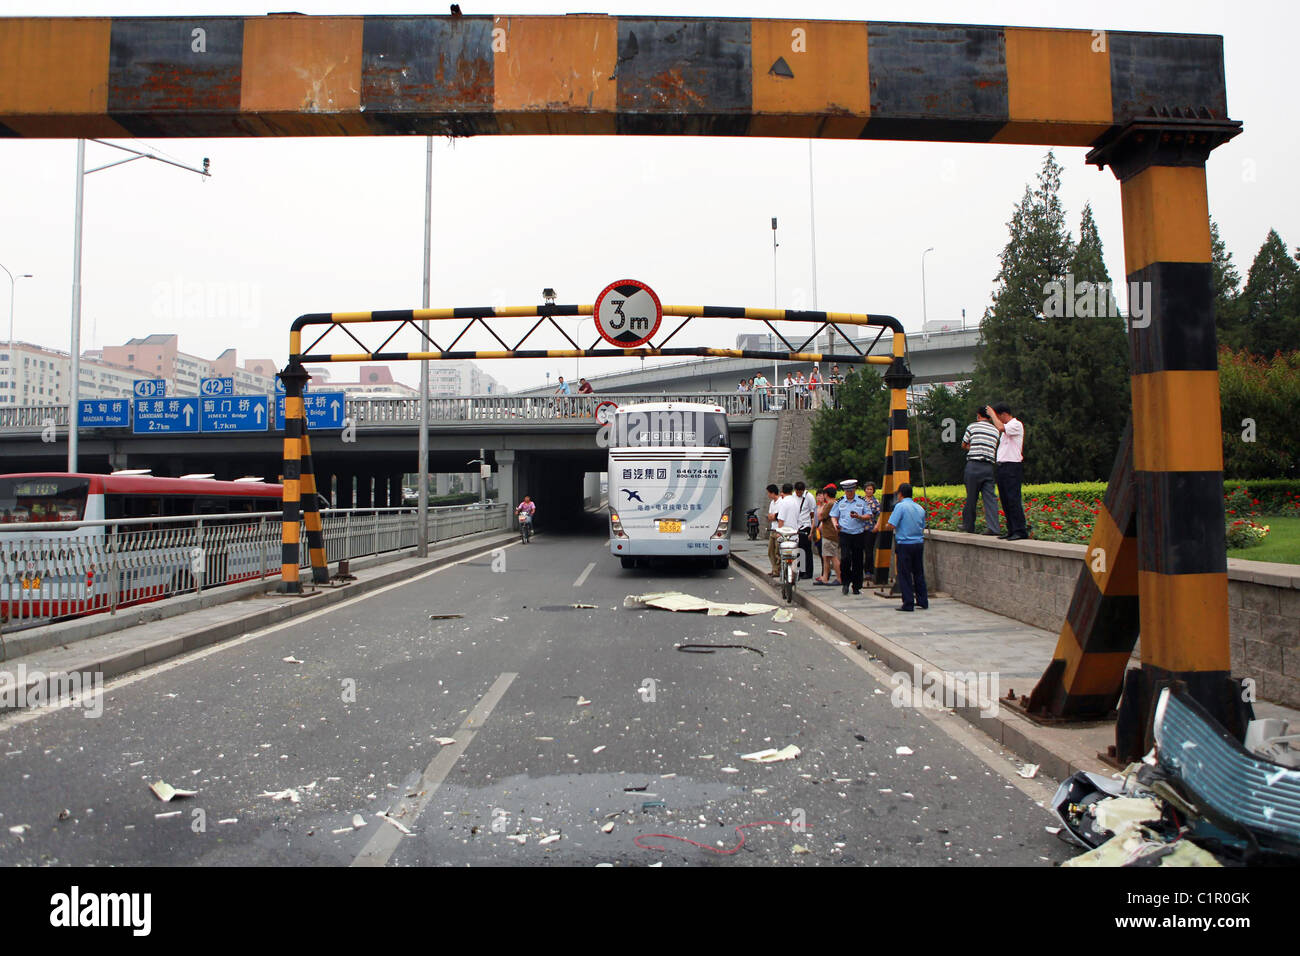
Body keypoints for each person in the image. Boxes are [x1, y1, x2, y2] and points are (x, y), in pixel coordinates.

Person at [987, 401, 1028, 540]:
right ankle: (1011, 529)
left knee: (1013, 499)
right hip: (1002, 466)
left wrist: (992, 414)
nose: (996, 420)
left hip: (1012, 466)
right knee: (1005, 499)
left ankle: (1020, 530)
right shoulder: (1006, 429)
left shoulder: (1015, 424)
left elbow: (999, 427)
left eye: (998, 416)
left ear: (1003, 414)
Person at [885, 483, 928, 611]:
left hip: (904, 544)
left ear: (900, 494)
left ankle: (908, 603)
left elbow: (892, 524)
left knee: (904, 574)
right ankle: (923, 600)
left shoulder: (900, 507)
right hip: (918, 544)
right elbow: (922, 525)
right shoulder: (920, 508)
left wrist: (886, 526)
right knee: (918, 573)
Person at [961, 407, 1001, 535]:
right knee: (990, 499)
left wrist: (973, 447)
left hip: (973, 465)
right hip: (989, 467)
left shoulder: (972, 427)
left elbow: (964, 444)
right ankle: (994, 528)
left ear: (978, 415)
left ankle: (968, 526)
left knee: (971, 498)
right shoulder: (996, 430)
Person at [829, 478, 870, 595]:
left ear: (855, 490)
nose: (849, 493)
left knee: (857, 560)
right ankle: (846, 583)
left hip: (858, 533)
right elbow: (833, 515)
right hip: (845, 533)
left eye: (851, 491)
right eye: (847, 491)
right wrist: (835, 524)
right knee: (845, 558)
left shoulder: (862, 501)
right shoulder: (840, 502)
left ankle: (856, 585)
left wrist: (859, 517)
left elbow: (868, 515)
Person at [815, 483, 841, 586]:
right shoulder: (835, 503)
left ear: (826, 494)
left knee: (833, 556)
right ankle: (825, 577)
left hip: (829, 534)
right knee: (826, 556)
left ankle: (839, 578)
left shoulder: (830, 504)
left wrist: (820, 510)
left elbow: (821, 517)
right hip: (829, 533)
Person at [793, 480, 815, 580]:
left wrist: (812, 528)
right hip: (796, 526)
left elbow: (813, 511)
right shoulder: (793, 496)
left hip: (806, 526)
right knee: (799, 549)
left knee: (807, 550)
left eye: (800, 492)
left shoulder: (809, 497)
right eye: (797, 492)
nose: (798, 494)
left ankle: (808, 572)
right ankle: (801, 571)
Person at [860, 480, 882, 582]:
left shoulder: (876, 502)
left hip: (870, 529)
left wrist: (876, 526)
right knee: (860, 550)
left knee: (869, 551)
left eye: (871, 489)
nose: (869, 491)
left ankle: (869, 571)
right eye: (867, 489)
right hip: (860, 529)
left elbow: (880, 516)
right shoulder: (860, 501)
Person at [765, 483, 782, 576]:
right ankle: (774, 568)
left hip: (779, 530)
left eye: (768, 493)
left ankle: (778, 570)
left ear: (772, 493)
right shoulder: (772, 503)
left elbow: (779, 517)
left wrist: (774, 516)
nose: (768, 495)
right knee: (770, 551)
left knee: (777, 552)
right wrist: (773, 516)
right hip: (772, 529)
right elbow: (770, 516)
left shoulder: (781, 502)